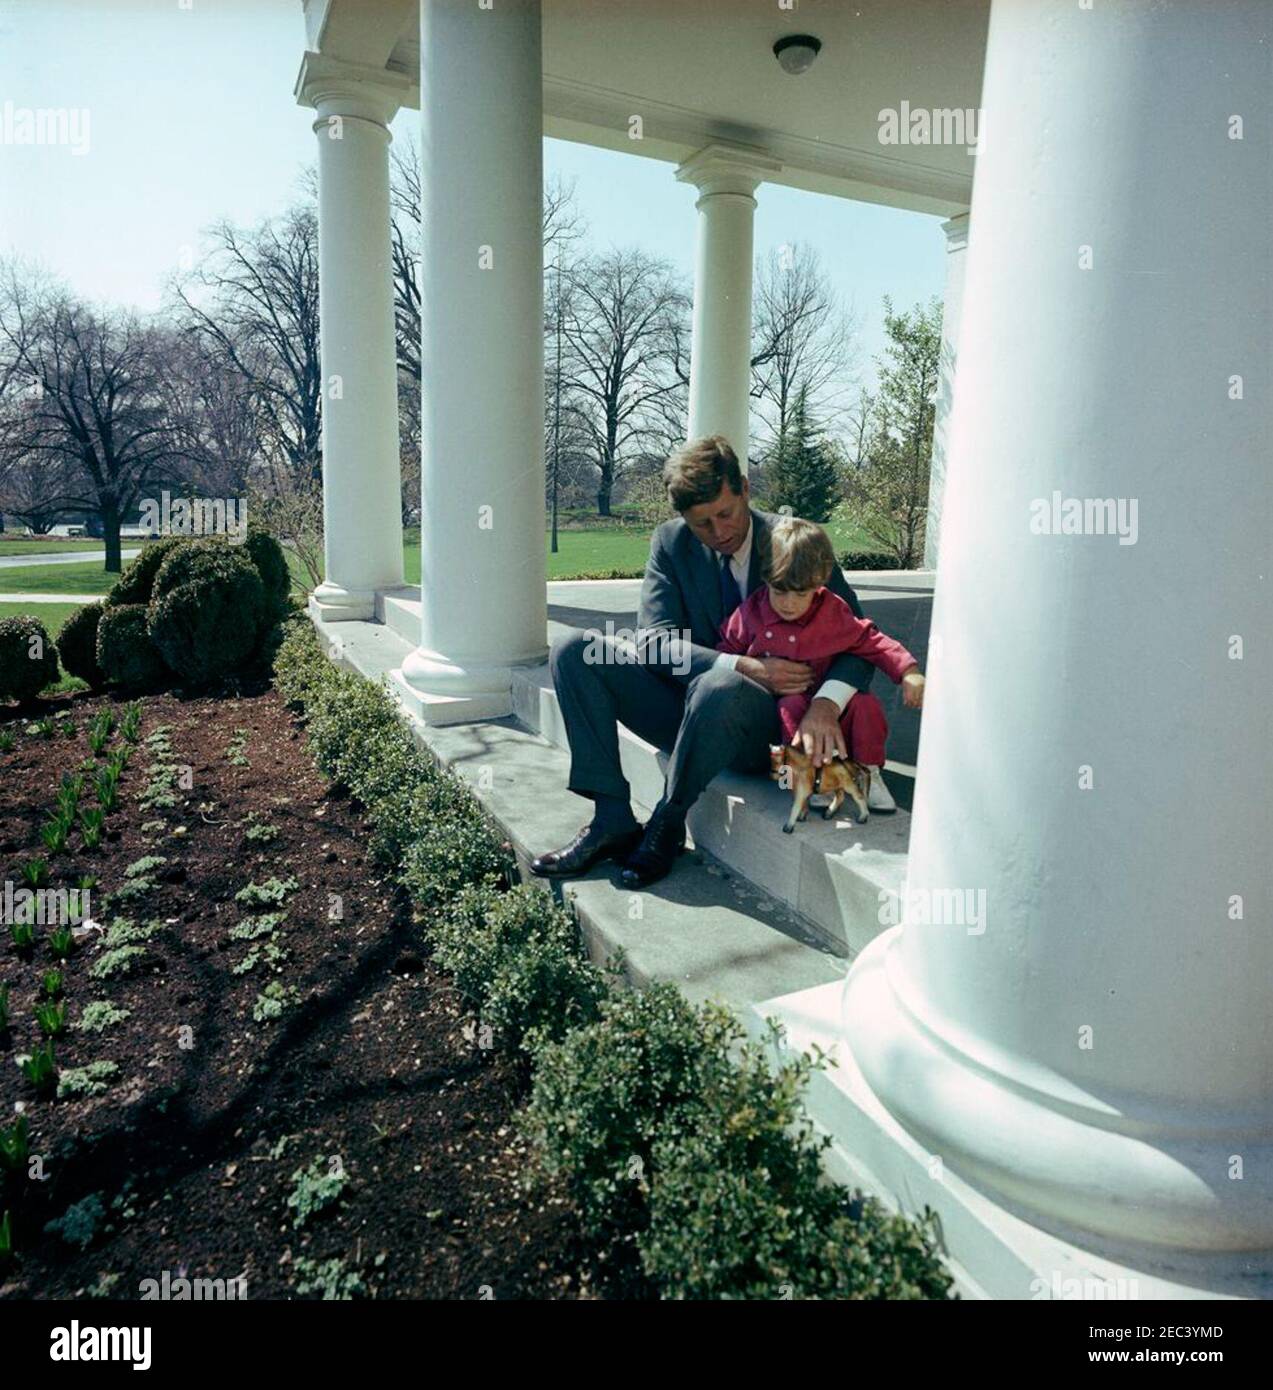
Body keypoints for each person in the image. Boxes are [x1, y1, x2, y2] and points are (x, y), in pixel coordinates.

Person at [530, 434, 896, 889]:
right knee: (575, 650)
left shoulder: (796, 540)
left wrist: (826, 705)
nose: (719, 532)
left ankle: (667, 821)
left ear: (745, 489)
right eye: (702, 523)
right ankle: (612, 819)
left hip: (775, 727)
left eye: (726, 514)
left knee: (718, 686)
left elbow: (860, 641)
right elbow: (654, 642)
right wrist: (742, 665)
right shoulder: (671, 542)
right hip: (692, 712)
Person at [716, 514, 925, 753]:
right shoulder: (750, 613)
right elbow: (725, 652)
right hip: (775, 707)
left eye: (801, 594)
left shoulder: (831, 610)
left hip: (826, 695)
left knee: (865, 705)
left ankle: (866, 766)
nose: (789, 604)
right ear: (766, 579)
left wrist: (908, 671)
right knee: (790, 705)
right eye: (779, 592)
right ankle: (797, 768)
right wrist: (748, 670)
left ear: (818, 584)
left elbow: (871, 640)